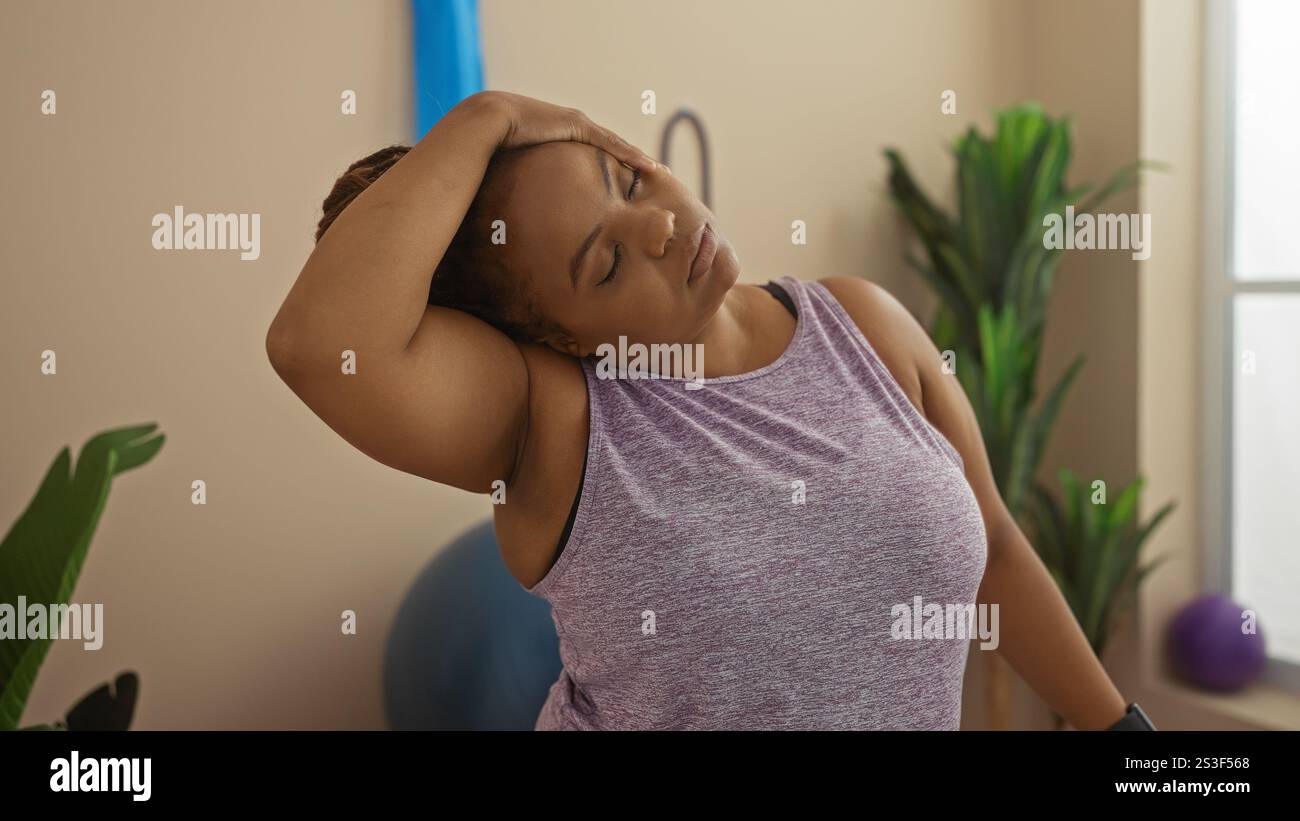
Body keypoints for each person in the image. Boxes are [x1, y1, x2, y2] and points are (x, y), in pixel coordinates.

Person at [266, 90, 1133, 730]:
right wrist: (483, 118)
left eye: (628, 177)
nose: (659, 228)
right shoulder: (558, 419)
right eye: (604, 265)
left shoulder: (863, 321)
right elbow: (317, 345)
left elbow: (996, 550)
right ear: (561, 339)